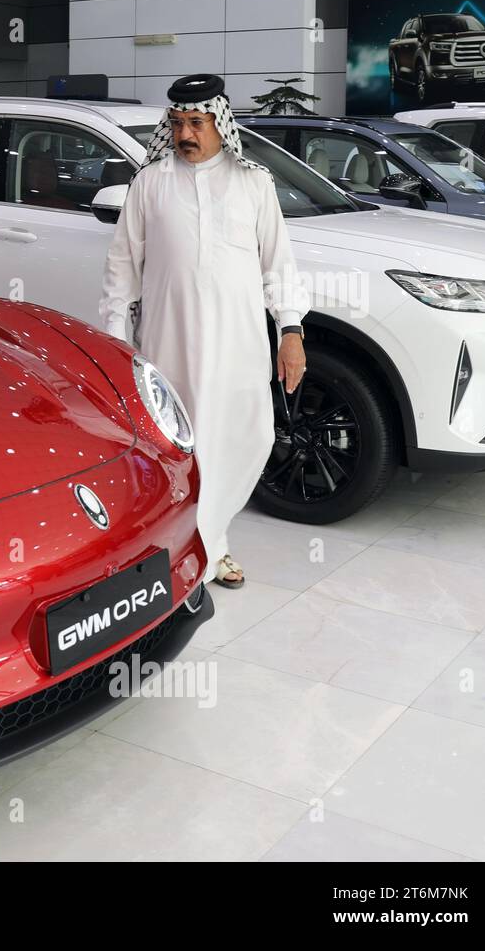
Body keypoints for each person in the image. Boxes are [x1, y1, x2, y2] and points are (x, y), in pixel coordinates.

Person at [99, 73, 309, 588]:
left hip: (238, 342)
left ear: (221, 123)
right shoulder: (150, 182)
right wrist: (112, 338)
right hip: (169, 340)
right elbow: (122, 266)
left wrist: (291, 331)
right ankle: (204, 549)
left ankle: (210, 536)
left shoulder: (253, 182)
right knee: (178, 446)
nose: (185, 134)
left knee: (245, 436)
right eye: (177, 124)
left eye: (197, 122)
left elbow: (278, 264)